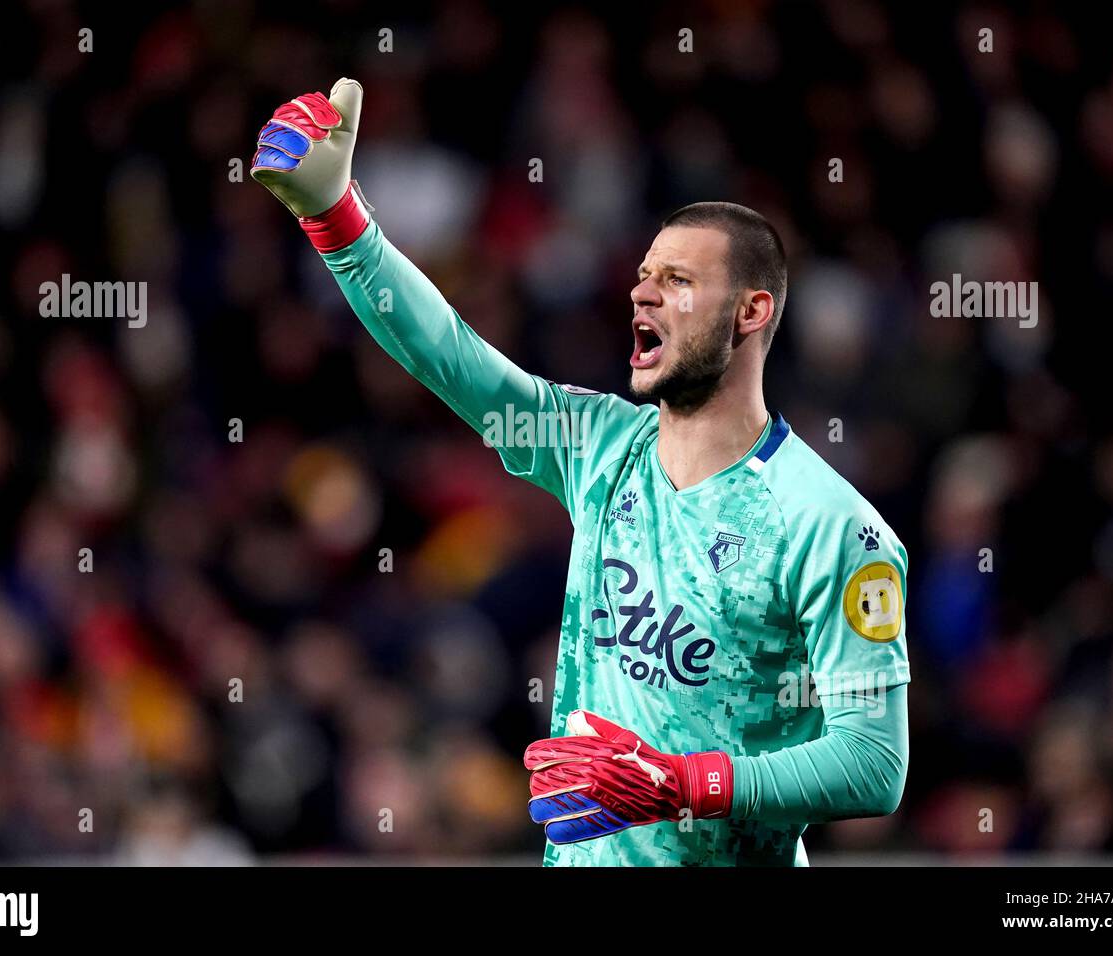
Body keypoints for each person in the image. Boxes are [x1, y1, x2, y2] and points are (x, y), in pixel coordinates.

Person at [251, 79, 910, 866]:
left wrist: (682, 785)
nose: (643, 291)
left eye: (678, 280)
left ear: (751, 312)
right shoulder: (600, 446)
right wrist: (339, 222)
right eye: (644, 274)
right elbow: (454, 358)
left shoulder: (832, 526)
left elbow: (875, 765)